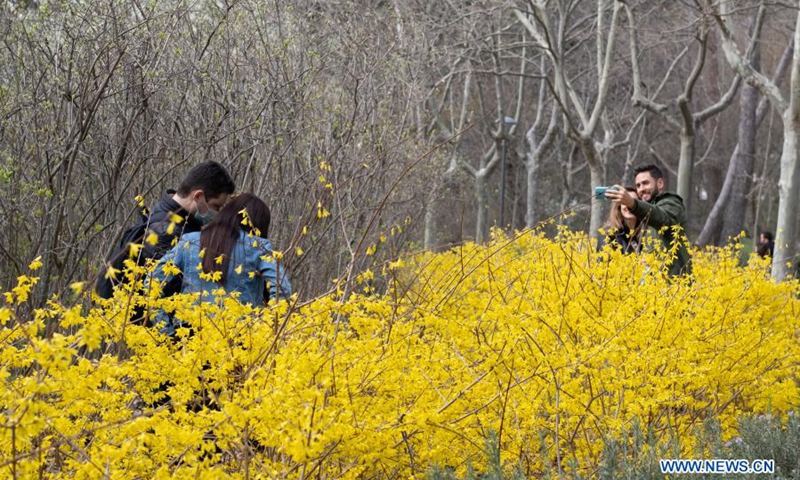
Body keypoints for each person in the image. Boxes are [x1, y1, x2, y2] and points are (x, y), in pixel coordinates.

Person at [147, 193, 292, 335]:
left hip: (189, 337)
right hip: (240, 336)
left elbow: (151, 282)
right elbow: (282, 287)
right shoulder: (258, 247)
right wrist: (267, 328)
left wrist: (166, 332)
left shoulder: (189, 241)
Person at [95, 161, 236, 300]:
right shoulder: (167, 233)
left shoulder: (166, 217)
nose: (218, 213)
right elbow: (168, 297)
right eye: (216, 206)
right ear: (198, 196)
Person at [605, 164, 692, 276]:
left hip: (675, 286)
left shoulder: (671, 203)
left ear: (659, 183)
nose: (642, 189)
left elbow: (662, 218)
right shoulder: (645, 216)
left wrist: (632, 203)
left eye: (646, 183)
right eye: (638, 185)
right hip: (654, 288)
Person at [597, 187, 643, 254]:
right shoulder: (609, 235)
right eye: (624, 202)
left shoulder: (646, 234)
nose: (628, 205)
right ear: (619, 207)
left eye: (633, 202)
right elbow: (602, 262)